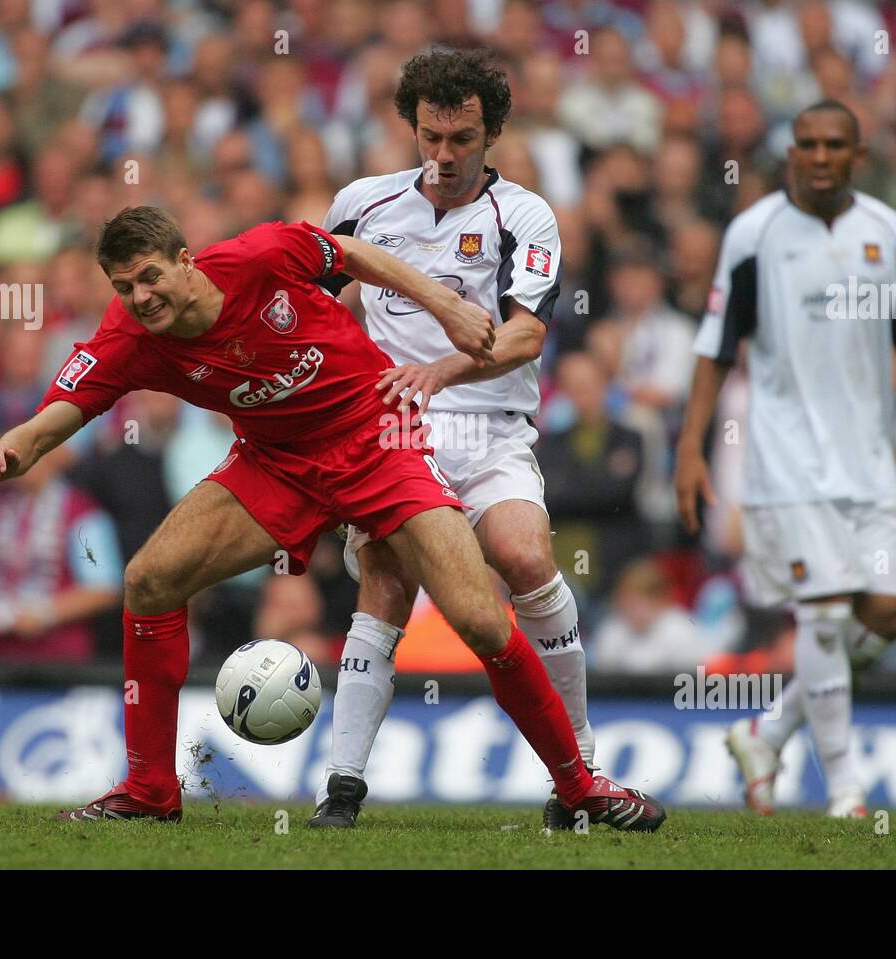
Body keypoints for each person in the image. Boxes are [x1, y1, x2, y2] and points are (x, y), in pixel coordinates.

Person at [0, 204, 664, 831]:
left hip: (376, 440)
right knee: (149, 580)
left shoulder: (261, 255)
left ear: (185, 260)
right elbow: (64, 409)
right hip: (274, 462)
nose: (140, 297)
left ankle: (579, 785)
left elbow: (355, 255)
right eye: (125, 287)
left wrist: (445, 308)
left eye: (150, 277)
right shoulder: (129, 335)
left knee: (482, 619)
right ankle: (150, 789)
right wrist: (13, 448)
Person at [306, 48, 631, 832]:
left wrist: (441, 371)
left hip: (488, 425)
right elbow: (310, 306)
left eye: (461, 139)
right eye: (430, 138)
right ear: (411, 130)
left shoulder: (525, 215)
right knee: (384, 575)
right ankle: (341, 789)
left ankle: (578, 771)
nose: (444, 157)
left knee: (525, 557)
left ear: (491, 133)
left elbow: (524, 338)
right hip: (394, 428)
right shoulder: (361, 204)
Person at [673, 100, 896, 818]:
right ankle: (844, 787)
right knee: (827, 615)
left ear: (857, 154)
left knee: (887, 616)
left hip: (871, 463)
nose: (819, 155)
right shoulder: (754, 234)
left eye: (834, 143)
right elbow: (716, 347)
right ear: (791, 154)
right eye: (806, 143)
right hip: (788, 463)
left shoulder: (890, 233)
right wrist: (690, 446)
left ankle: (766, 730)